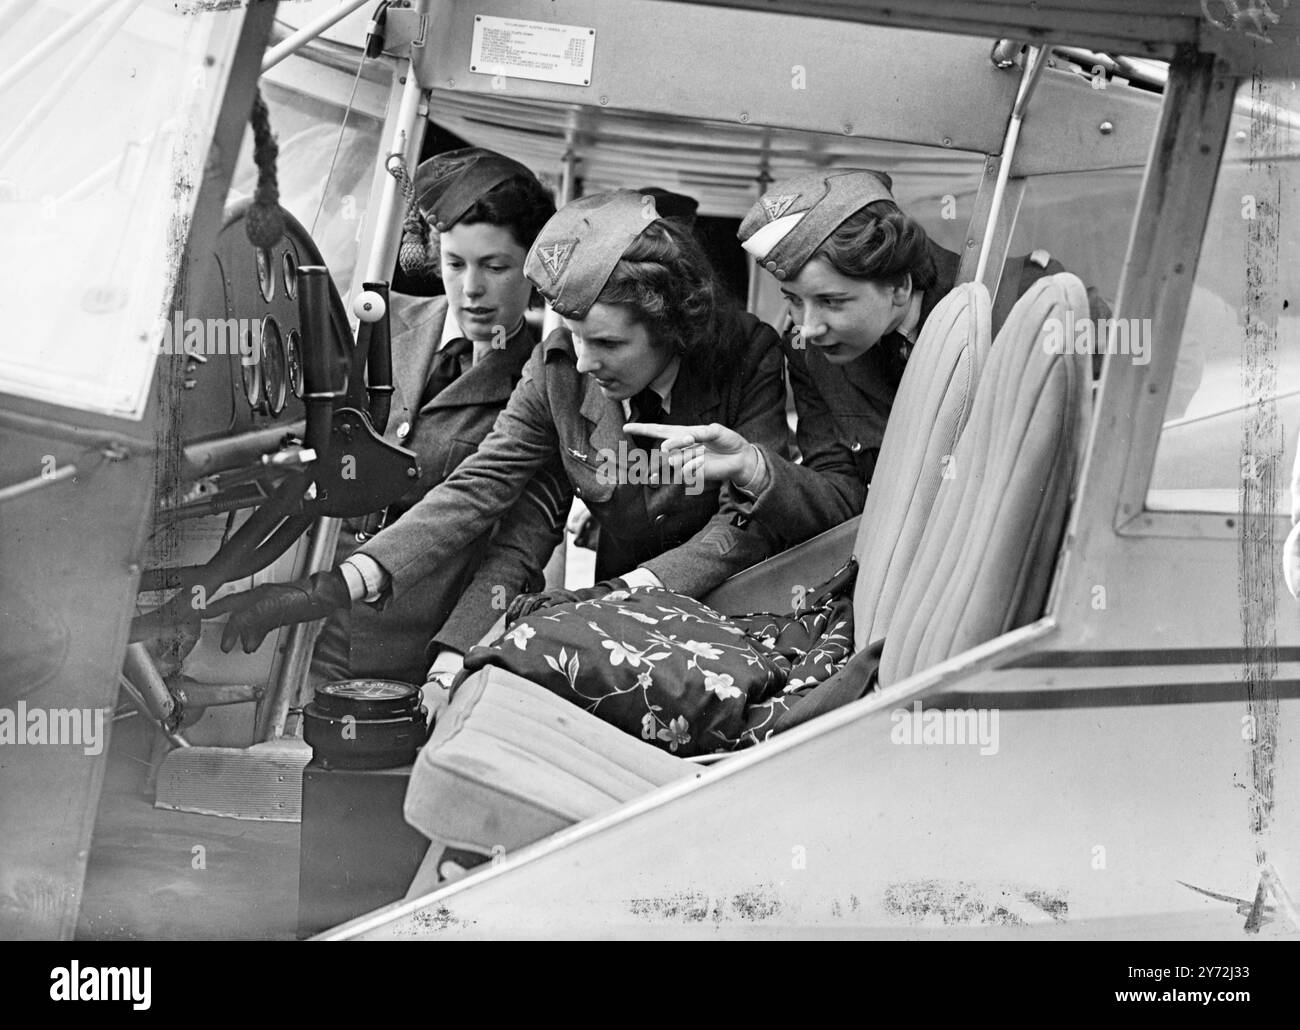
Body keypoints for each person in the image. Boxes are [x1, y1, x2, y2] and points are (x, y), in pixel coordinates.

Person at [208, 189, 791, 699]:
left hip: (732, 612)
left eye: (608, 344)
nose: (584, 362)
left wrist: (618, 593)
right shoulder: (559, 367)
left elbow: (744, 522)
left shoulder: (746, 356)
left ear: (670, 329)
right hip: (619, 614)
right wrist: (333, 586)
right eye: (577, 339)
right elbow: (482, 488)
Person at [629, 168, 1111, 547]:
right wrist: (752, 467)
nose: (808, 326)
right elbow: (845, 498)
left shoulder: (1025, 303)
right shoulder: (811, 352)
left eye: (831, 302)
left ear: (900, 285)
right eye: (793, 300)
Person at [308, 146, 562, 686]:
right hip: (302, 614)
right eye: (455, 264)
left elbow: (517, 548)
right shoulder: (373, 323)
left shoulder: (547, 385)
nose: (471, 289)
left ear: (535, 269)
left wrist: (456, 653)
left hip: (408, 650)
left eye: (495, 266)